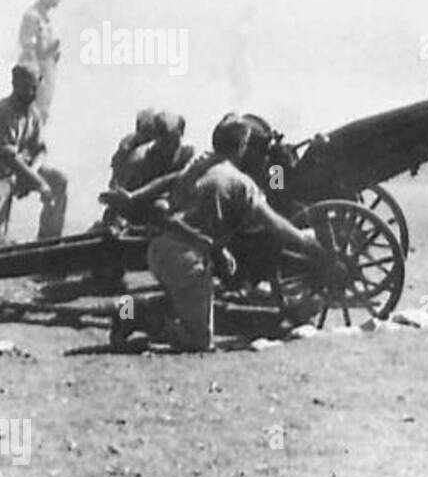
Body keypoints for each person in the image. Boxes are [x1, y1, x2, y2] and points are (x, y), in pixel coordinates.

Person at [105, 115, 333, 352]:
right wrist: (304, 240)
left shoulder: (201, 162)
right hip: (187, 256)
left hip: (163, 250)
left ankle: (132, 310)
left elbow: (172, 180)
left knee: (182, 298)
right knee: (199, 341)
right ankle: (130, 312)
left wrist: (134, 197)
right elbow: (274, 217)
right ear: (242, 147)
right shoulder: (247, 178)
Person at [0, 63, 67, 245]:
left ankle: (49, 242)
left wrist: (34, 174)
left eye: (36, 87)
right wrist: (38, 183)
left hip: (12, 171)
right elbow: (9, 158)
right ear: (16, 85)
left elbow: (40, 150)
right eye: (30, 88)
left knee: (59, 180)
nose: (34, 93)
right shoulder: (1, 112)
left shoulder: (32, 114)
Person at [18, 0, 62, 123]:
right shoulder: (32, 17)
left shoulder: (46, 19)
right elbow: (28, 49)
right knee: (31, 117)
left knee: (42, 116)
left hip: (47, 76)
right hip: (35, 77)